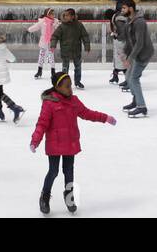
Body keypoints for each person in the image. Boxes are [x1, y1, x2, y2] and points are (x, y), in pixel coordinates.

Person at [30, 72, 115, 214]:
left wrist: (105, 118)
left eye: (70, 86)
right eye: (67, 86)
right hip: (55, 144)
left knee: (69, 172)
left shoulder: (74, 101)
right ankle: (44, 196)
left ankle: (69, 196)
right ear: (57, 87)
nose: (70, 89)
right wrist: (35, 140)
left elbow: (87, 113)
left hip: (70, 143)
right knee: (53, 171)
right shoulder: (49, 103)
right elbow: (42, 123)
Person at [121, 0, 153, 118]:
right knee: (129, 77)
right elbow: (130, 41)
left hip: (143, 54)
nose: (121, 10)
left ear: (131, 9)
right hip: (136, 53)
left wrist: (130, 58)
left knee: (133, 78)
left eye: (124, 8)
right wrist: (125, 53)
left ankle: (141, 106)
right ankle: (136, 100)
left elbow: (140, 43)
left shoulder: (139, 22)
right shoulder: (130, 21)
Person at [50, 9, 90, 90]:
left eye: (67, 15)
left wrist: (87, 46)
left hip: (76, 50)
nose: (65, 17)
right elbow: (54, 36)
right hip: (65, 51)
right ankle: (64, 83)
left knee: (78, 67)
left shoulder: (79, 25)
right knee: (65, 68)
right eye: (65, 15)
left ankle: (77, 81)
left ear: (72, 16)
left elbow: (85, 36)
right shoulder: (61, 26)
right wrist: (53, 45)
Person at [27, 8, 59, 80]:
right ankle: (39, 71)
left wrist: (54, 25)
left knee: (51, 57)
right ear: (47, 14)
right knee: (41, 57)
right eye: (51, 14)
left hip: (51, 42)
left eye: (53, 14)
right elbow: (36, 27)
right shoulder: (42, 21)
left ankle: (53, 72)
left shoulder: (55, 22)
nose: (53, 15)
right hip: (43, 42)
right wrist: (29, 29)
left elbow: (59, 30)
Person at [106, 6, 130, 86]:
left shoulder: (118, 19)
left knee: (123, 61)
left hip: (122, 42)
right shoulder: (116, 17)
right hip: (120, 41)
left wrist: (117, 37)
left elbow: (123, 32)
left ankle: (128, 81)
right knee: (118, 60)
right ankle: (115, 76)